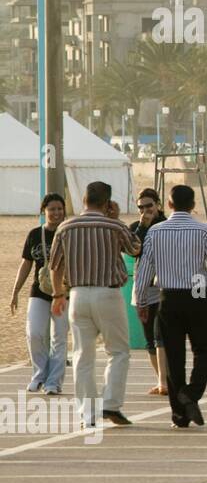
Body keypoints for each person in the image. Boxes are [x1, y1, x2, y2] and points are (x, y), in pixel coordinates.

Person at [133, 184, 207, 429]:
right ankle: (191, 393)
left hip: (167, 299)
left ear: (168, 205)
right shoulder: (204, 231)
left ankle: (179, 415)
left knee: (174, 358)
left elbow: (145, 269)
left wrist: (141, 301)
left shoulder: (156, 232)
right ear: (192, 205)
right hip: (197, 296)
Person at [46, 181, 141, 428]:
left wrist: (58, 295)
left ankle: (87, 413)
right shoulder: (113, 226)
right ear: (107, 203)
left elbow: (55, 266)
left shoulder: (66, 227)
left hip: (77, 295)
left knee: (82, 355)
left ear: (84, 200)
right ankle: (110, 403)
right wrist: (117, 219)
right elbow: (135, 248)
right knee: (118, 351)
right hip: (108, 294)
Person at [10, 193, 69, 396]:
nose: (56, 213)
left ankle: (53, 382)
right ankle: (39, 375)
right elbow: (26, 263)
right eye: (52, 209)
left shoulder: (70, 232)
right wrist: (16, 290)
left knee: (59, 337)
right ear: (44, 211)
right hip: (40, 290)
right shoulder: (35, 234)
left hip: (64, 291)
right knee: (34, 333)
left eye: (59, 208)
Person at [129, 189, 167, 395]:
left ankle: (165, 382)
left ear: (158, 204)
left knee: (160, 335)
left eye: (149, 206)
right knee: (149, 340)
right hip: (142, 289)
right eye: (141, 207)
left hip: (163, 288)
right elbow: (132, 249)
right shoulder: (136, 228)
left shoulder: (167, 225)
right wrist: (143, 226)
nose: (145, 210)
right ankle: (162, 378)